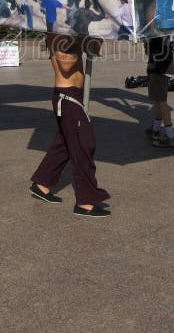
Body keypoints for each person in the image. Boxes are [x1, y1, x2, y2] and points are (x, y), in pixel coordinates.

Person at [30, 33, 111, 217]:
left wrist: (96, 36)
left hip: (73, 94)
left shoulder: (70, 30)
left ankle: (42, 183)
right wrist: (82, 38)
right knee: (84, 144)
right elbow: (66, 63)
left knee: (65, 144)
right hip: (67, 96)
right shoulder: (55, 32)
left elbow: (93, 51)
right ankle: (86, 200)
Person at [145, 35, 174, 148]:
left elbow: (148, 51)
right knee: (158, 100)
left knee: (161, 102)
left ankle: (170, 136)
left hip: (159, 69)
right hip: (160, 69)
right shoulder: (158, 32)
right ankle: (156, 129)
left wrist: (145, 41)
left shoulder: (156, 33)